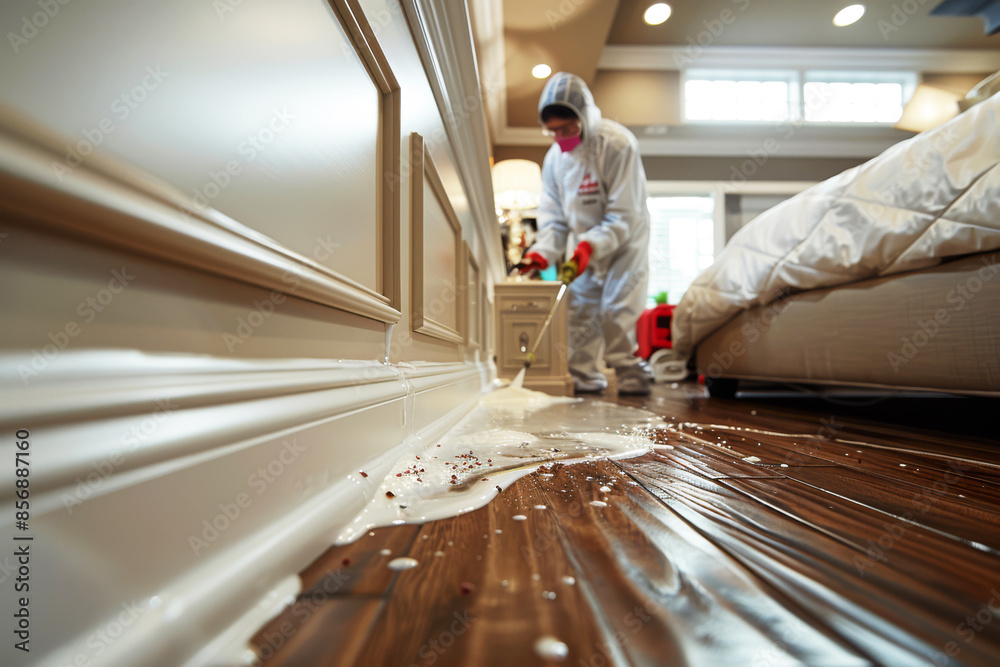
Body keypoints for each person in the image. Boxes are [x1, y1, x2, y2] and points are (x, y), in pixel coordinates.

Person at [518, 72, 652, 395]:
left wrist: (592, 245)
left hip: (624, 243)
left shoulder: (617, 145)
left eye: (568, 129)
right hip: (583, 248)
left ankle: (633, 376)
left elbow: (624, 213)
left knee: (616, 313)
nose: (560, 137)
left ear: (585, 117)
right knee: (579, 312)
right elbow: (553, 219)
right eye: (553, 131)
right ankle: (585, 380)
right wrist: (542, 252)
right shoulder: (554, 161)